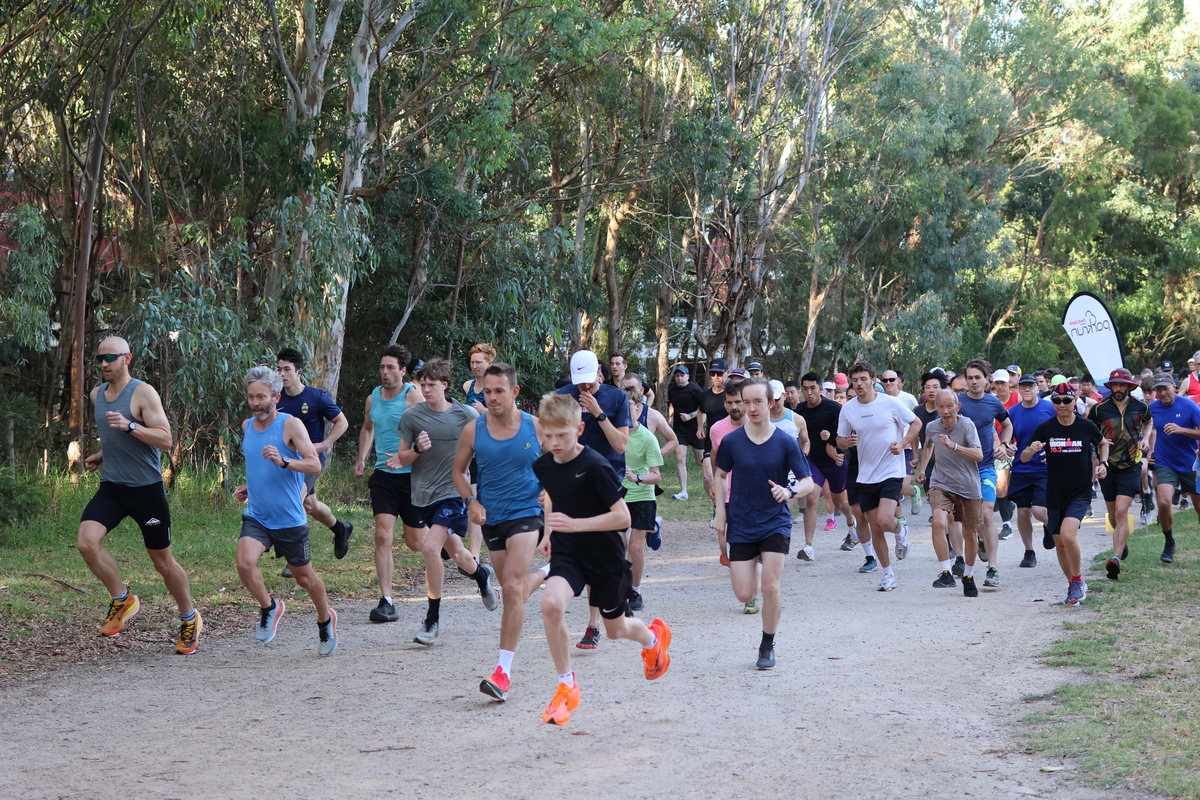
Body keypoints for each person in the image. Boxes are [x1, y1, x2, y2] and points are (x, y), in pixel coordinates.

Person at [534, 393, 671, 725]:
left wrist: (576, 525)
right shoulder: (543, 464)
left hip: (605, 556)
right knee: (551, 604)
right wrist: (551, 534)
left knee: (615, 630)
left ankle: (653, 640)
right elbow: (554, 495)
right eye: (548, 435)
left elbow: (623, 518)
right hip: (569, 551)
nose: (554, 442)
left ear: (579, 429)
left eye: (562, 435)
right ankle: (566, 686)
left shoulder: (596, 465)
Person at [77, 336, 201, 654]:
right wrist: (102, 455)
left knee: (163, 563)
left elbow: (164, 439)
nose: (104, 364)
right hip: (113, 487)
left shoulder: (143, 393)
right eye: (100, 358)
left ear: (127, 358)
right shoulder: (97, 395)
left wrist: (131, 426)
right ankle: (123, 599)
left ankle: (190, 618)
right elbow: (115, 437)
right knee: (87, 541)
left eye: (110, 357)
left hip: (146, 490)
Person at [453, 363, 548, 700]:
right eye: (487, 391)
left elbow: (559, 465)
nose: (491, 397)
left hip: (526, 513)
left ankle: (502, 673)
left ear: (515, 392)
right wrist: (471, 501)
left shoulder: (535, 428)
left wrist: (550, 494)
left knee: (509, 586)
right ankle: (551, 572)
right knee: (515, 590)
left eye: (498, 391)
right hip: (491, 517)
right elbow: (458, 472)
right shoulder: (473, 430)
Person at [234, 367, 337, 655]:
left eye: (261, 397)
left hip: (289, 518)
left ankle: (325, 619)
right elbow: (257, 465)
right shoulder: (247, 427)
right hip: (258, 514)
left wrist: (284, 462)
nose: (255, 403)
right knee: (244, 563)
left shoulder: (290, 425)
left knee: (305, 578)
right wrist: (249, 485)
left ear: (276, 397)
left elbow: (314, 465)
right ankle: (270, 606)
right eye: (251, 397)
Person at [713, 378, 813, 668]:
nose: (752, 407)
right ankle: (756, 563)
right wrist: (721, 512)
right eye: (747, 402)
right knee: (745, 593)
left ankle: (767, 645)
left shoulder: (785, 441)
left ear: (771, 402)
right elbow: (720, 475)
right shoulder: (732, 442)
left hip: (774, 521)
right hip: (742, 522)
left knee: (770, 587)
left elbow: (807, 481)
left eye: (758, 401)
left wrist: (789, 491)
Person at [392, 359, 494, 645]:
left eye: (431, 385)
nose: (425, 390)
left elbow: (485, 445)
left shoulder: (466, 414)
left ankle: (432, 619)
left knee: (429, 547)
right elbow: (401, 459)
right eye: (422, 385)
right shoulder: (412, 417)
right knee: (459, 554)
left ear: (445, 385)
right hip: (423, 495)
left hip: (455, 493)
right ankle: (482, 576)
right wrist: (416, 448)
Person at [837, 362, 921, 591]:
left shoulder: (891, 403)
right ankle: (888, 574)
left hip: (891, 471)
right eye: (855, 380)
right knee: (875, 527)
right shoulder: (848, 409)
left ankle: (900, 530)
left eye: (864, 379)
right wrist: (847, 442)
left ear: (873, 380)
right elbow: (840, 440)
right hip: (866, 475)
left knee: (884, 521)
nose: (859, 383)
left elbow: (916, 422)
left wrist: (903, 443)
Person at [1021, 383, 1107, 607]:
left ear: (1074, 401)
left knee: (1068, 536)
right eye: (1056, 401)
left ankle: (1078, 581)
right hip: (1055, 492)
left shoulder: (1085, 426)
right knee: (1059, 544)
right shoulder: (1046, 428)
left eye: (1066, 401)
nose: (1061, 405)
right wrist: (1031, 450)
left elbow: (1103, 443)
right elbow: (1024, 458)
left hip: (1079, 491)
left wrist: (1103, 463)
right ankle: (1072, 585)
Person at [355, 345, 424, 623]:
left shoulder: (413, 397)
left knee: (415, 543)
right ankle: (386, 601)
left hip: (412, 476)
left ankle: (443, 537)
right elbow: (367, 427)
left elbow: (430, 432)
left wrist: (408, 456)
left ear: (403, 371)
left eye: (390, 367)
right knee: (383, 535)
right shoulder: (373, 396)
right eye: (382, 367)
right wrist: (361, 457)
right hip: (383, 475)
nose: (385, 372)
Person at [276, 348, 352, 576]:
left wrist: (323, 444)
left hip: (310, 459)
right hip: (285, 460)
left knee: (296, 499)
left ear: (298, 372)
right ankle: (341, 529)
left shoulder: (316, 397)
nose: (282, 374)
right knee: (310, 505)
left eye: (287, 369)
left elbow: (342, 422)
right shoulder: (275, 397)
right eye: (279, 369)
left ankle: (295, 558)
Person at [916, 390, 984, 596]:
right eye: (941, 407)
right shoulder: (932, 427)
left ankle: (969, 575)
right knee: (938, 521)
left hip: (967, 486)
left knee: (970, 535)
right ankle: (945, 572)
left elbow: (979, 455)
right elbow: (928, 446)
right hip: (940, 482)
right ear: (936, 408)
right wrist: (922, 469)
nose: (945, 411)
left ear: (958, 407)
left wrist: (954, 446)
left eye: (950, 406)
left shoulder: (967, 425)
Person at [1087, 368, 1152, 579]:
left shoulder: (1140, 407)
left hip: (1131, 465)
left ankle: (1114, 559)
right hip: (1107, 467)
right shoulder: (1099, 409)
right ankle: (1121, 543)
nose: (1117, 388)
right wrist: (1099, 441)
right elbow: (1088, 432)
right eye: (1114, 385)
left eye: (1122, 385)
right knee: (1114, 516)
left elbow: (1149, 421)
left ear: (1129, 386)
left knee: (1122, 511)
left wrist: (1145, 438)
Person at [958, 359, 1014, 589]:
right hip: (961, 470)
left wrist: (1004, 444)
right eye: (969, 377)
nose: (973, 382)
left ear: (986, 379)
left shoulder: (993, 403)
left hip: (986, 467)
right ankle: (979, 540)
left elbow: (1007, 425)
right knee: (969, 520)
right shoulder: (957, 402)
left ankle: (992, 569)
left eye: (977, 377)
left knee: (987, 513)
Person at [796, 372, 854, 560]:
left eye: (813, 388)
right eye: (805, 388)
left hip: (835, 461)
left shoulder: (834, 408)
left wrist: (831, 438)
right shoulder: (800, 409)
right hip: (813, 461)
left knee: (839, 502)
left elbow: (846, 432)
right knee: (812, 497)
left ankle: (852, 523)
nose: (809, 392)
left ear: (821, 389)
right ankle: (808, 546)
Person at [1148, 372, 1200, 563]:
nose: (1162, 393)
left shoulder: (1189, 406)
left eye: (1165, 388)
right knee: (1163, 502)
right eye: (1158, 389)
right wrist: (1148, 454)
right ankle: (1169, 542)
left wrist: (1182, 430)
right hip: (1164, 462)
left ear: (1174, 387)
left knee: (1199, 506)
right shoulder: (1151, 409)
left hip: (1191, 463)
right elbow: (1143, 432)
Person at [1007, 374, 1055, 569]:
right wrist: (1008, 446)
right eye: (1023, 386)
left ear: (1038, 388)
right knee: (1023, 512)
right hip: (1021, 468)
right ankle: (1029, 551)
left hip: (1045, 468)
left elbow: (1062, 431)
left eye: (1030, 386)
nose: (1026, 389)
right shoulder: (1012, 412)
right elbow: (1008, 438)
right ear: (1019, 389)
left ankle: (1049, 525)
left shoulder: (1050, 408)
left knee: (1039, 511)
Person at [461, 343, 496, 561]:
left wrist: (485, 412)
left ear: (489, 363)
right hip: (469, 449)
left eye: (479, 362)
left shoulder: (496, 388)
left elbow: (508, 417)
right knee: (467, 499)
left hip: (489, 450)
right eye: (472, 362)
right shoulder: (468, 386)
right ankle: (469, 552)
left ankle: (476, 553)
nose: (475, 366)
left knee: (480, 501)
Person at [667, 365, 707, 500]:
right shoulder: (672, 389)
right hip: (679, 430)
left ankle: (713, 484)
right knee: (680, 458)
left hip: (695, 429)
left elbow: (703, 409)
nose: (679, 378)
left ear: (687, 376)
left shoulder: (695, 390)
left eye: (682, 376)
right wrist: (670, 418)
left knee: (701, 461)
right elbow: (672, 404)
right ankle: (684, 491)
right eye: (677, 376)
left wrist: (691, 415)